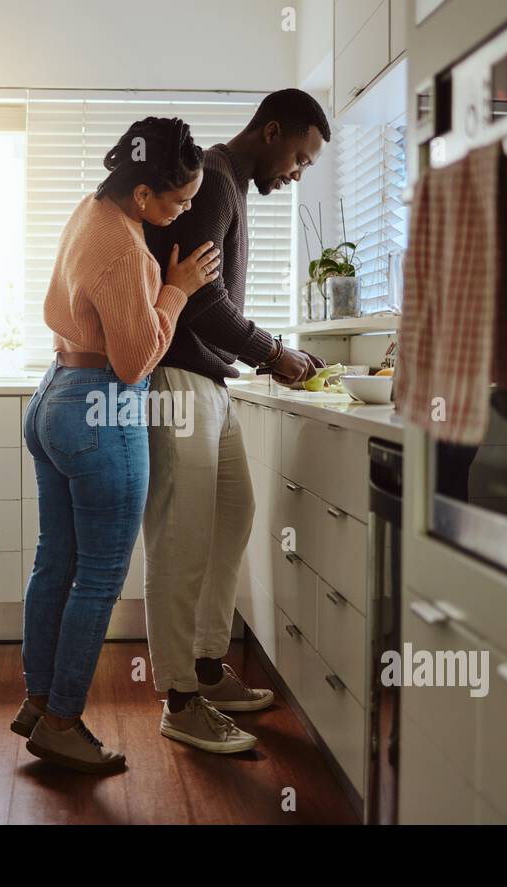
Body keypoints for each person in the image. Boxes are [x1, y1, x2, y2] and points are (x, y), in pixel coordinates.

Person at [14, 118, 221, 774]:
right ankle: (63, 724)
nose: (183, 212)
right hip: (102, 407)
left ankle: (38, 699)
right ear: (143, 195)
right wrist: (177, 291)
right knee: (100, 576)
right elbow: (135, 363)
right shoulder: (130, 249)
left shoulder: (90, 209)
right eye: (178, 200)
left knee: (55, 562)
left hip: (53, 399)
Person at [141, 89, 331, 754]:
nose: (297, 172)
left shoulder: (229, 185)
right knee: (183, 535)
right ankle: (180, 701)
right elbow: (200, 304)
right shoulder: (216, 182)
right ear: (272, 130)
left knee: (231, 515)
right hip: (178, 379)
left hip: (208, 382)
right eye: (300, 158)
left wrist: (266, 355)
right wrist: (275, 353)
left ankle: (203, 666)